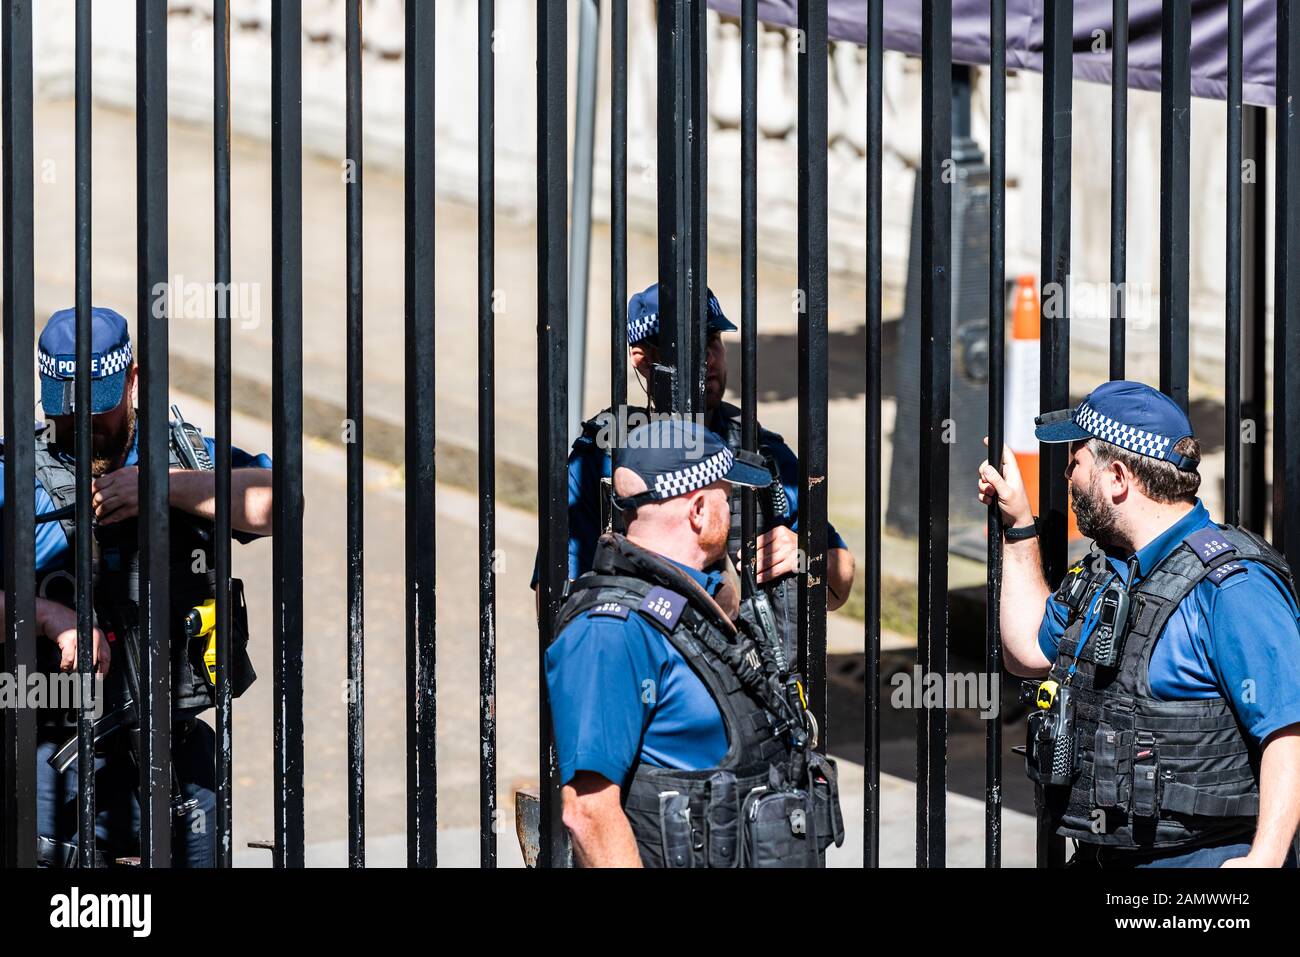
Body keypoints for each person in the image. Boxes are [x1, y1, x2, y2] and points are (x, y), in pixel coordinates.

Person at [976, 379, 1300, 867]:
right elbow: (1027, 651)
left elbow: (1288, 729)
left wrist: (1266, 858)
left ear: (1118, 478)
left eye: (1076, 461)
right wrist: (1018, 525)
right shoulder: (1109, 572)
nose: (1067, 475)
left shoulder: (1233, 586)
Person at [0, 307, 274, 868]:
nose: (82, 422)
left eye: (98, 405)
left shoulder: (182, 457)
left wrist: (165, 488)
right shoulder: (17, 471)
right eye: (65, 407)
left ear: (132, 380)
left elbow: (277, 503)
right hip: (53, 755)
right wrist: (50, 617)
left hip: (175, 755)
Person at [546, 418, 844, 867]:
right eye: (727, 496)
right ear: (699, 511)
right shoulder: (610, 631)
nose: (732, 508)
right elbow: (588, 812)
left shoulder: (689, 606)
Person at [537, 282, 856, 661]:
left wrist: (806, 554)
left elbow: (840, 581)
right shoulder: (602, 457)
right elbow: (555, 601)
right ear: (642, 358)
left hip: (745, 686)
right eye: (687, 346)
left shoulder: (760, 452)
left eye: (713, 339)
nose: (707, 358)